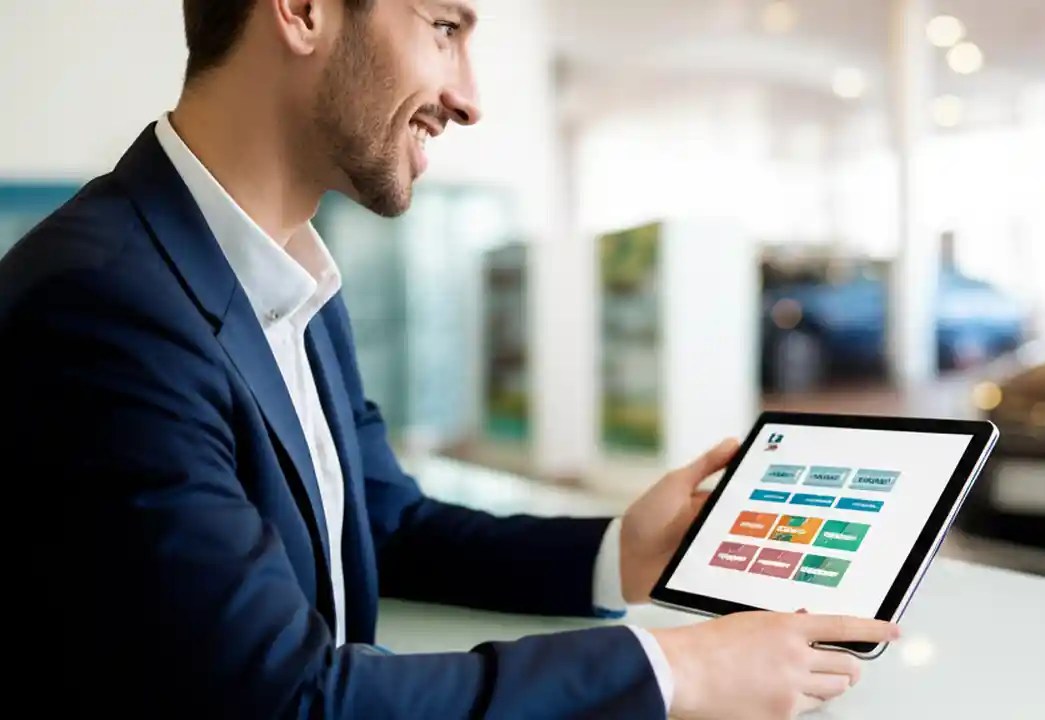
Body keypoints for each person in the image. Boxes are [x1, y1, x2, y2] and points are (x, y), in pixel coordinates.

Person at [0, 0, 897, 717]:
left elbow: (385, 525)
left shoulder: (289, 278)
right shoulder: (102, 304)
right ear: (303, 11)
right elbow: (282, 699)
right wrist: (671, 674)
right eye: (445, 29)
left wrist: (623, 550)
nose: (469, 97)